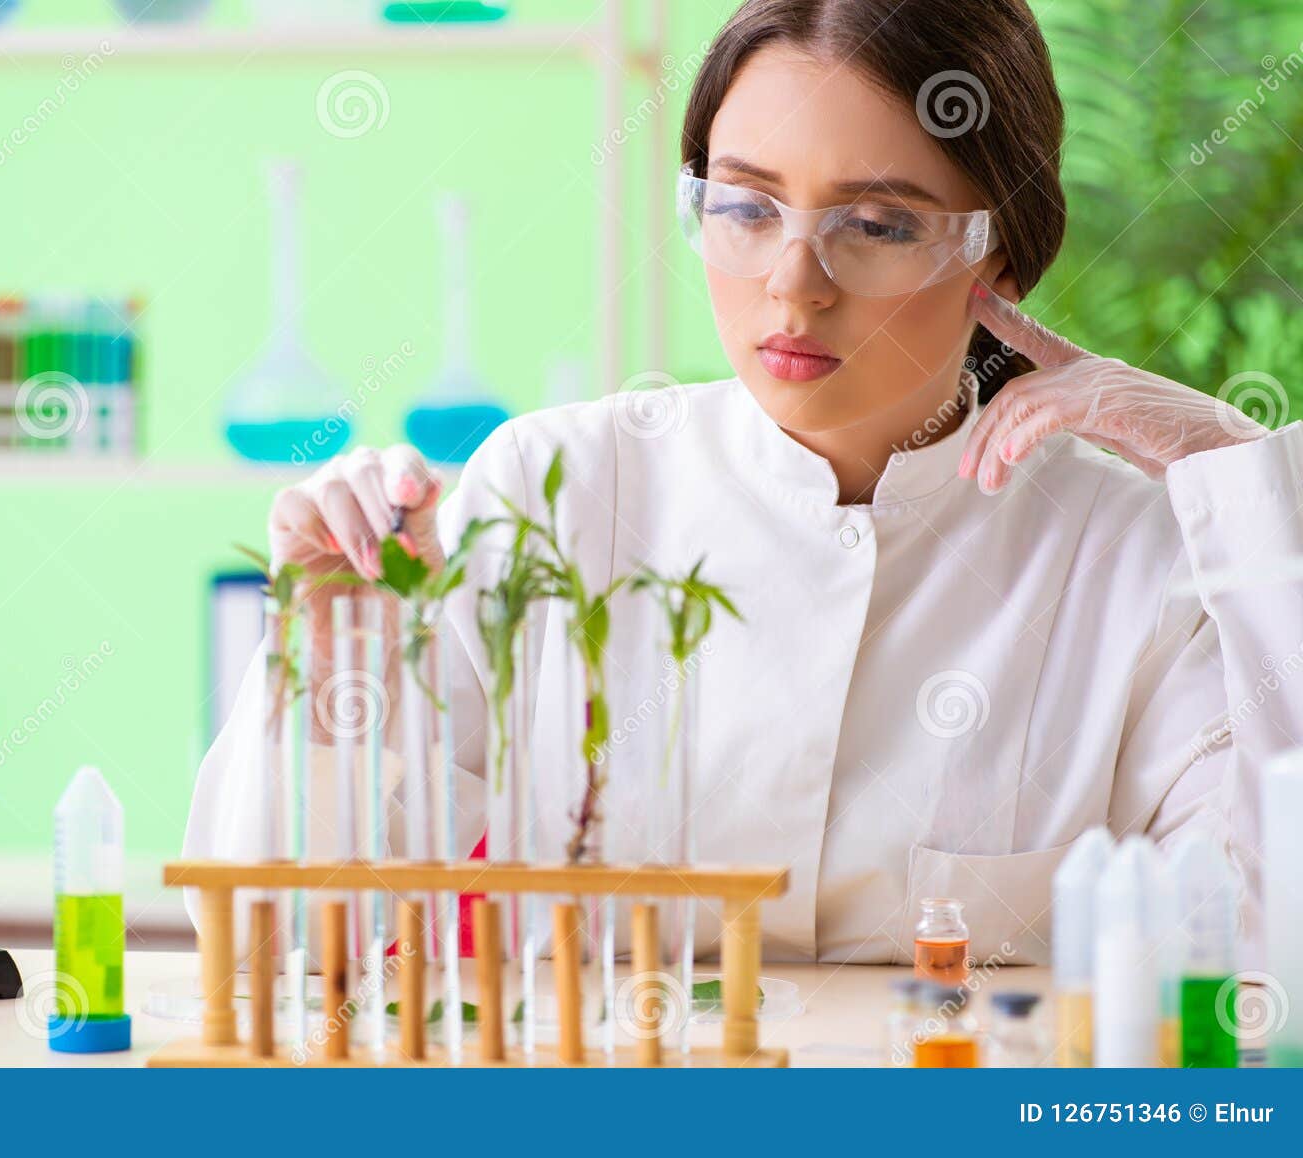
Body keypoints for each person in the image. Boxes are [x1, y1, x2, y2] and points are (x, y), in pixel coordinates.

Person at [186, 0, 1299, 966]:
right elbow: (282, 942)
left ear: (998, 253)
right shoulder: (553, 493)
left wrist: (1239, 474)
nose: (793, 285)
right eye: (747, 206)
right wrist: (330, 662)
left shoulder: (1131, 553)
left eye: (877, 225)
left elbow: (1267, 954)